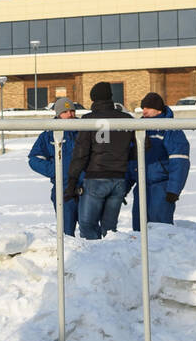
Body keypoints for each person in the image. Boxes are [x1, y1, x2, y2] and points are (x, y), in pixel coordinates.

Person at [64, 81, 133, 240]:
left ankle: (94, 260)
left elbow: (81, 154)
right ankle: (110, 258)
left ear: (93, 98)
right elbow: (141, 147)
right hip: (119, 179)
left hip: (96, 177)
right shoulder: (126, 118)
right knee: (109, 229)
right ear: (110, 96)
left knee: (87, 225)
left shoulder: (89, 119)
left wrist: (72, 182)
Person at [126, 92, 190, 231]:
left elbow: (180, 161)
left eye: (148, 107)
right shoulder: (140, 129)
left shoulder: (170, 129)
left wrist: (173, 190)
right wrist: (124, 187)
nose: (144, 111)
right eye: (143, 108)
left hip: (162, 187)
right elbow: (131, 161)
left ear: (158, 109)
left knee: (160, 229)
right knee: (139, 229)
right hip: (141, 187)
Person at [27, 98, 82, 235]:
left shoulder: (84, 130)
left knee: (89, 229)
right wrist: (55, 170)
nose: (70, 115)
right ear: (58, 113)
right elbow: (34, 159)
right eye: (65, 112)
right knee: (66, 232)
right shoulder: (49, 134)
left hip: (86, 188)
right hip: (62, 189)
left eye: (72, 111)